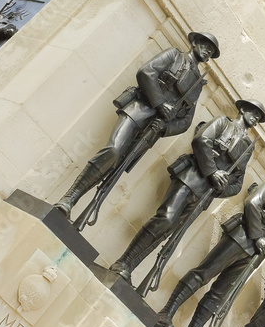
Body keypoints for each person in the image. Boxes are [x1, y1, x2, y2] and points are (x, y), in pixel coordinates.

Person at [54, 31, 220, 220]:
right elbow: (146, 72)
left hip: (153, 129)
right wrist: (160, 104)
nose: (208, 52)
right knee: (113, 152)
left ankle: (76, 205)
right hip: (139, 109)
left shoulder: (197, 85)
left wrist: (165, 128)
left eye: (212, 52)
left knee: (115, 168)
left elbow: (186, 121)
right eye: (206, 46)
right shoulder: (174, 56)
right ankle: (69, 198)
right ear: (195, 42)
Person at [109, 99, 265, 286]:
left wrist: (221, 187)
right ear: (243, 109)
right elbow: (201, 141)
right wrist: (213, 172)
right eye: (253, 112)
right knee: (165, 218)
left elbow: (238, 184)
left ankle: (129, 268)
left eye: (258, 116)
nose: (255, 118)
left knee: (169, 234)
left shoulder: (247, 147)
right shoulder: (223, 123)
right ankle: (123, 261)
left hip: (205, 195)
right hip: (189, 178)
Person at [156, 161, 265, 327]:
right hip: (240, 238)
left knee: (218, 294)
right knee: (202, 275)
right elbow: (252, 204)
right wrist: (258, 239)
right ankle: (167, 312)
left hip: (254, 255)